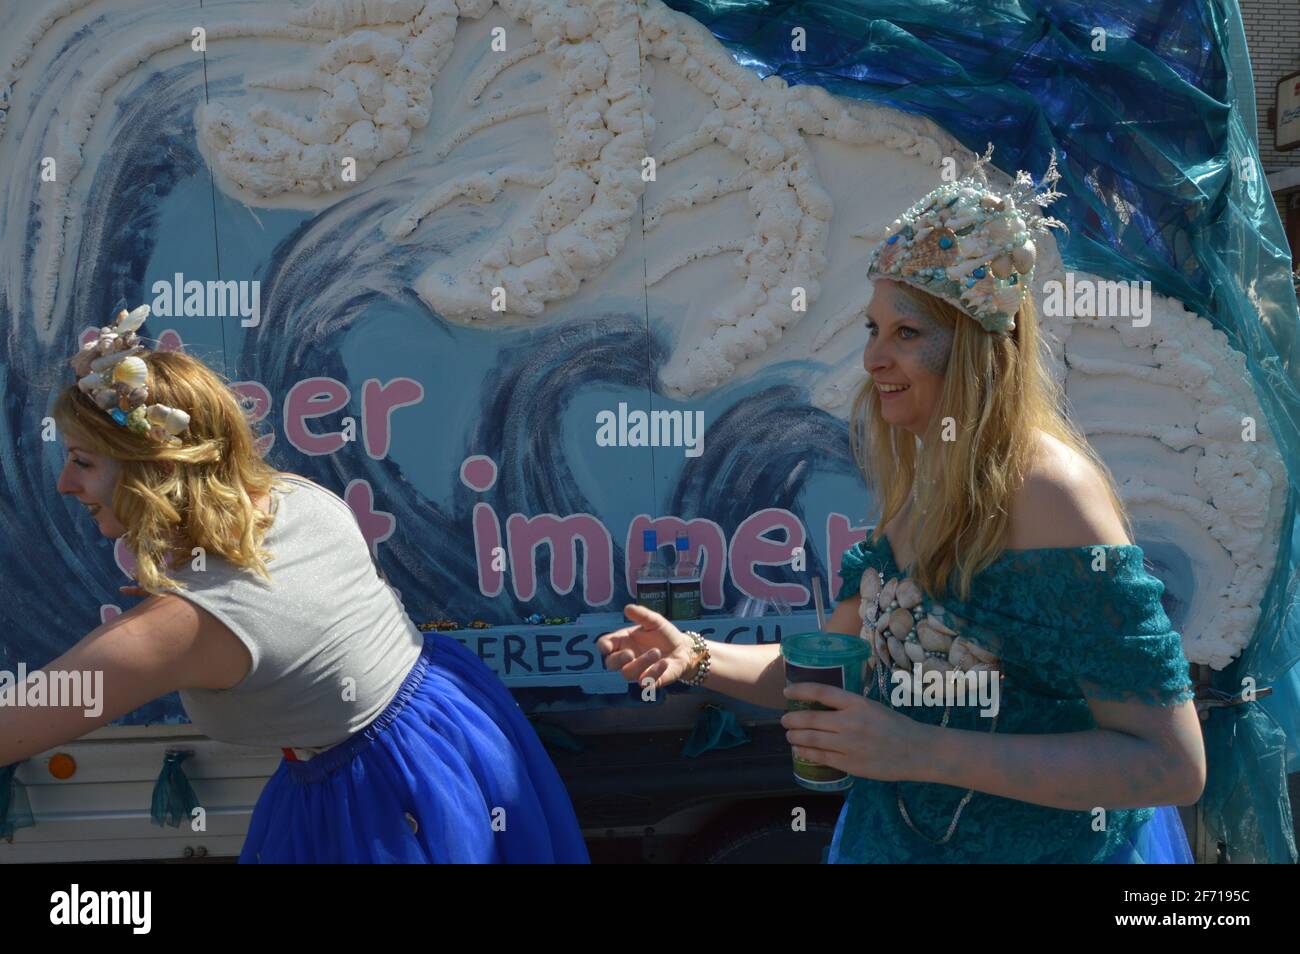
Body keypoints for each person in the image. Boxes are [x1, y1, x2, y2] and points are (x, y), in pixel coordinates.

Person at [597, 150, 1204, 863]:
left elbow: (1169, 765)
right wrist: (696, 655)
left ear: (978, 349)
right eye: (873, 331)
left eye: (907, 334)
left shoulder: (1049, 493)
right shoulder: (923, 479)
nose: (873, 360)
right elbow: (837, 668)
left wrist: (917, 749)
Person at [1, 305, 589, 863]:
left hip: (380, 795)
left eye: (82, 462)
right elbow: (278, 608)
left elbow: (12, 729)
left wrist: (177, 622)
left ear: (154, 469)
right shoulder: (289, 496)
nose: (63, 485)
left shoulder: (176, 631)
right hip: (452, 718)